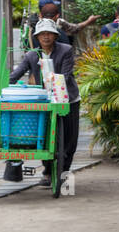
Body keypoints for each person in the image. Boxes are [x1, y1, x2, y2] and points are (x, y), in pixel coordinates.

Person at [8, 18, 82, 184]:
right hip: (45, 102)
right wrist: (4, 88)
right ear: (37, 37)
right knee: (44, 135)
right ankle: (48, 171)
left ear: (55, 36)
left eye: (49, 33)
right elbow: (16, 75)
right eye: (42, 34)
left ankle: (63, 173)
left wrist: (54, 90)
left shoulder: (66, 50)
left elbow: (65, 75)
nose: (46, 37)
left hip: (67, 100)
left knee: (69, 140)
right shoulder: (31, 55)